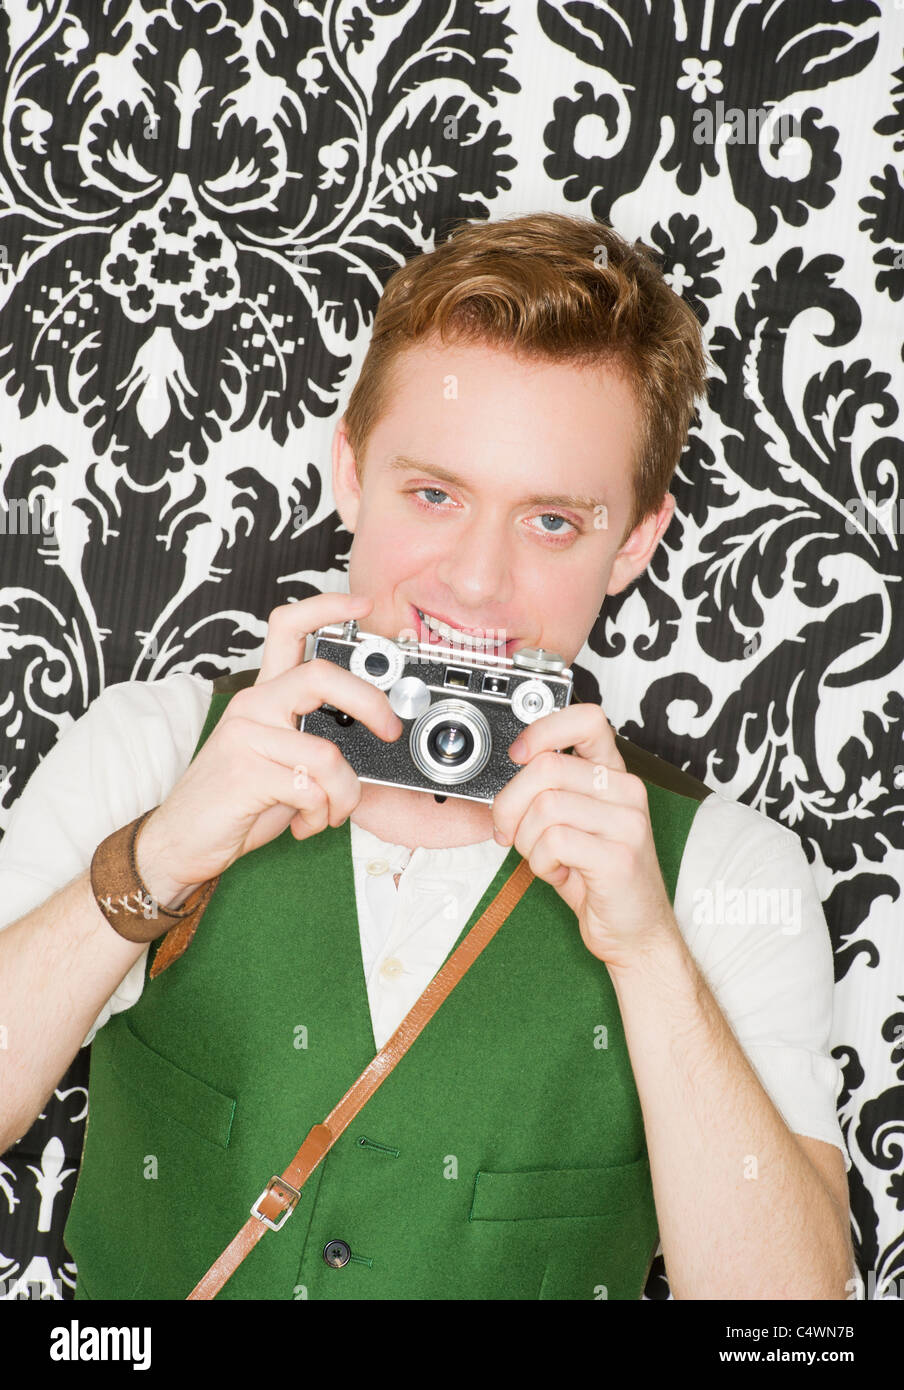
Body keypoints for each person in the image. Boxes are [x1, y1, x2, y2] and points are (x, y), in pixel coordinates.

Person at [0, 212, 854, 1300]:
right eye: (434, 495)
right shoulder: (151, 745)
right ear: (350, 471)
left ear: (632, 542)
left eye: (550, 521)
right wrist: (157, 859)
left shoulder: (727, 873)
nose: (476, 581)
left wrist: (648, 957)